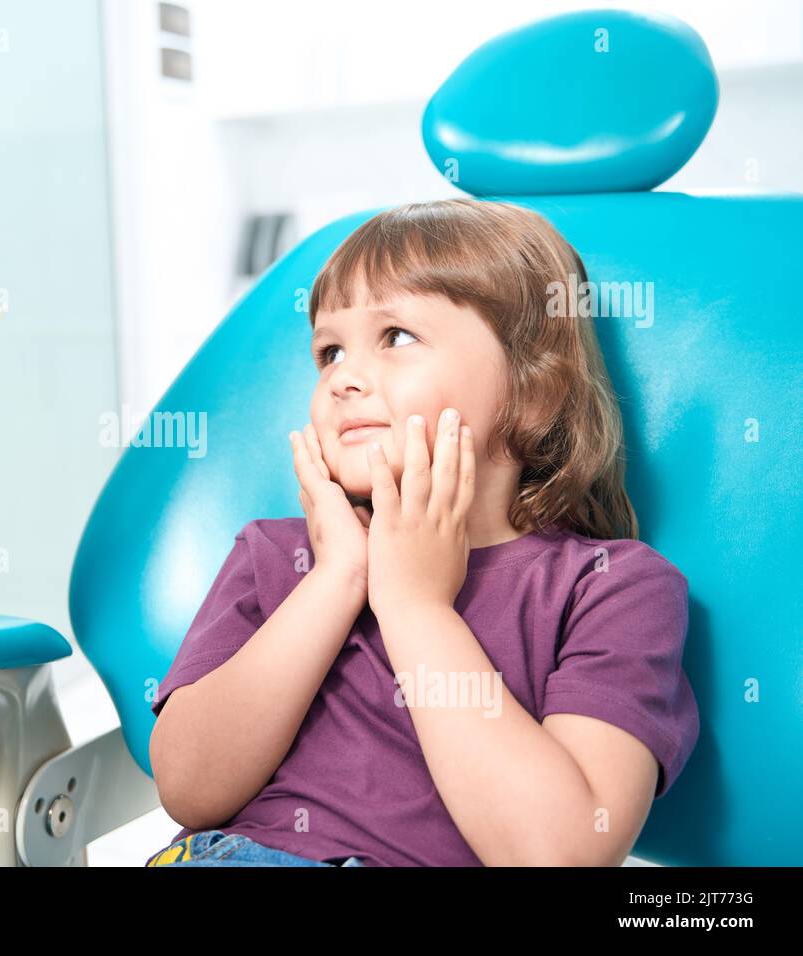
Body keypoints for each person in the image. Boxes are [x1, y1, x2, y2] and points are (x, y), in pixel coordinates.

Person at [145, 199, 700, 866]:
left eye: (397, 337)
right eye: (329, 351)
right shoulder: (274, 554)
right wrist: (339, 578)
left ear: (534, 391)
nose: (344, 377)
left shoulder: (613, 590)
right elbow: (189, 788)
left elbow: (560, 854)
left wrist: (415, 606)